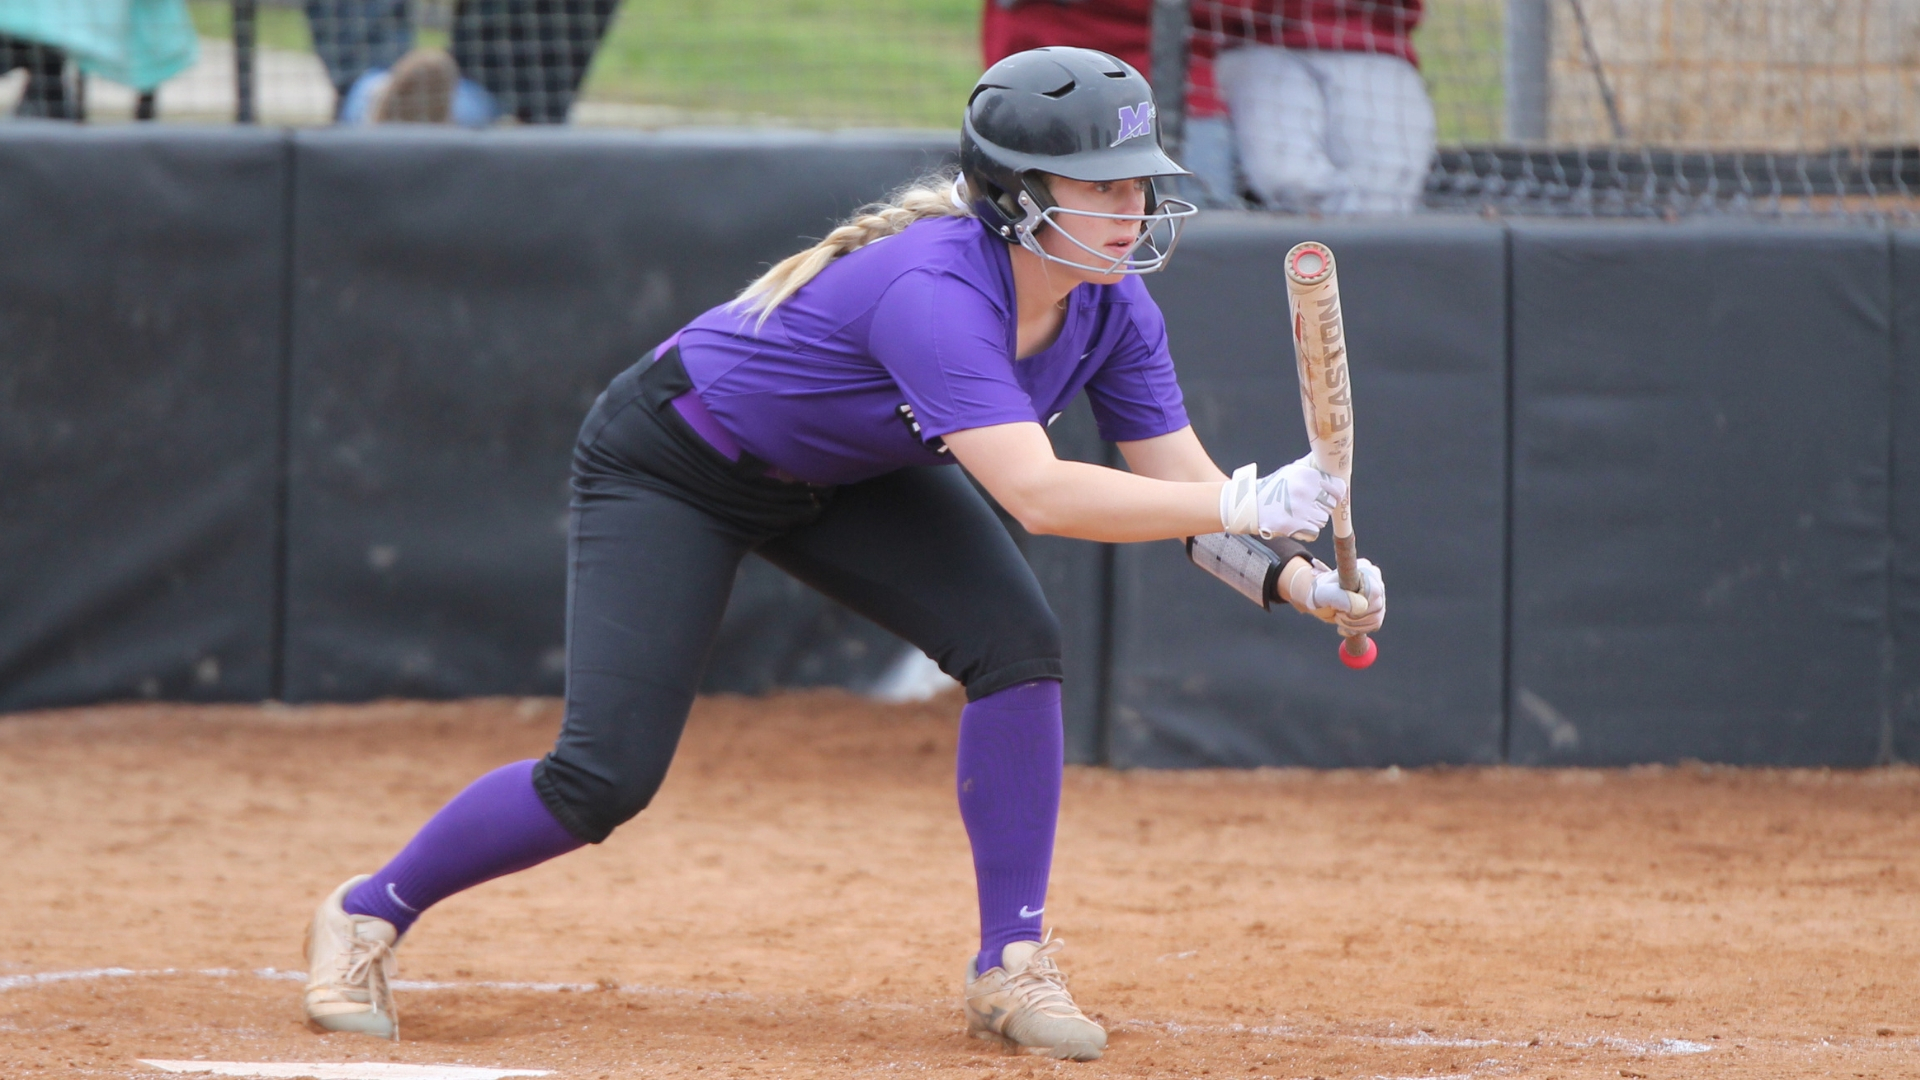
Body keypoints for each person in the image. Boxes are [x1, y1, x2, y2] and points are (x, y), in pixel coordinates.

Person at [298, 46, 1387, 1061]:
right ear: (1017, 197)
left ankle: (1011, 963)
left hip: (845, 477)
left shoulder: (1113, 307)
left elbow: (1184, 497)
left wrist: (1301, 580)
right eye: (1101, 185)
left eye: (1137, 182)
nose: (1131, 207)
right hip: (674, 462)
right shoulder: (938, 292)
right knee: (602, 779)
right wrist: (1254, 502)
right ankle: (367, 912)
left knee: (1018, 644)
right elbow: (1039, 495)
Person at [1192, 0, 1435, 213]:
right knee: (1287, 178)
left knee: (1386, 186)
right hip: (1258, 42)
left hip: (1374, 44)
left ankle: (1352, 259)